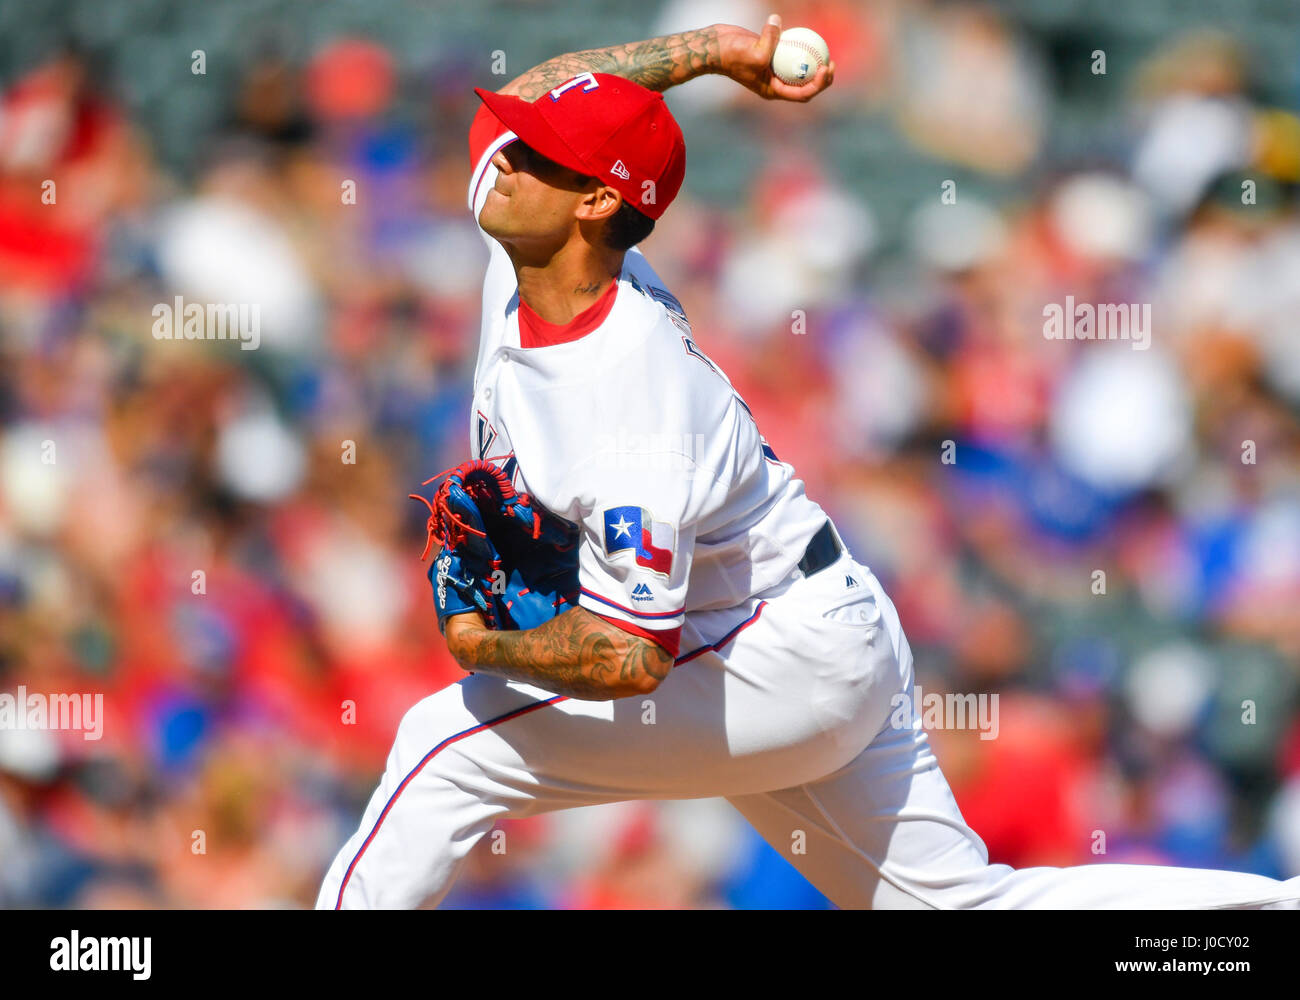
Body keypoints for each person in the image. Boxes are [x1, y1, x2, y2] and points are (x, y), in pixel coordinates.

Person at [316, 16, 1300, 909]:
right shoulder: (533, 242)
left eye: (538, 159)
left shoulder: (629, 395)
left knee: (441, 750)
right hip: (803, 625)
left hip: (768, 656)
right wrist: (711, 54)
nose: (505, 158)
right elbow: (549, 88)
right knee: (957, 907)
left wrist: (485, 642)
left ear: (594, 202)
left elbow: (631, 655)